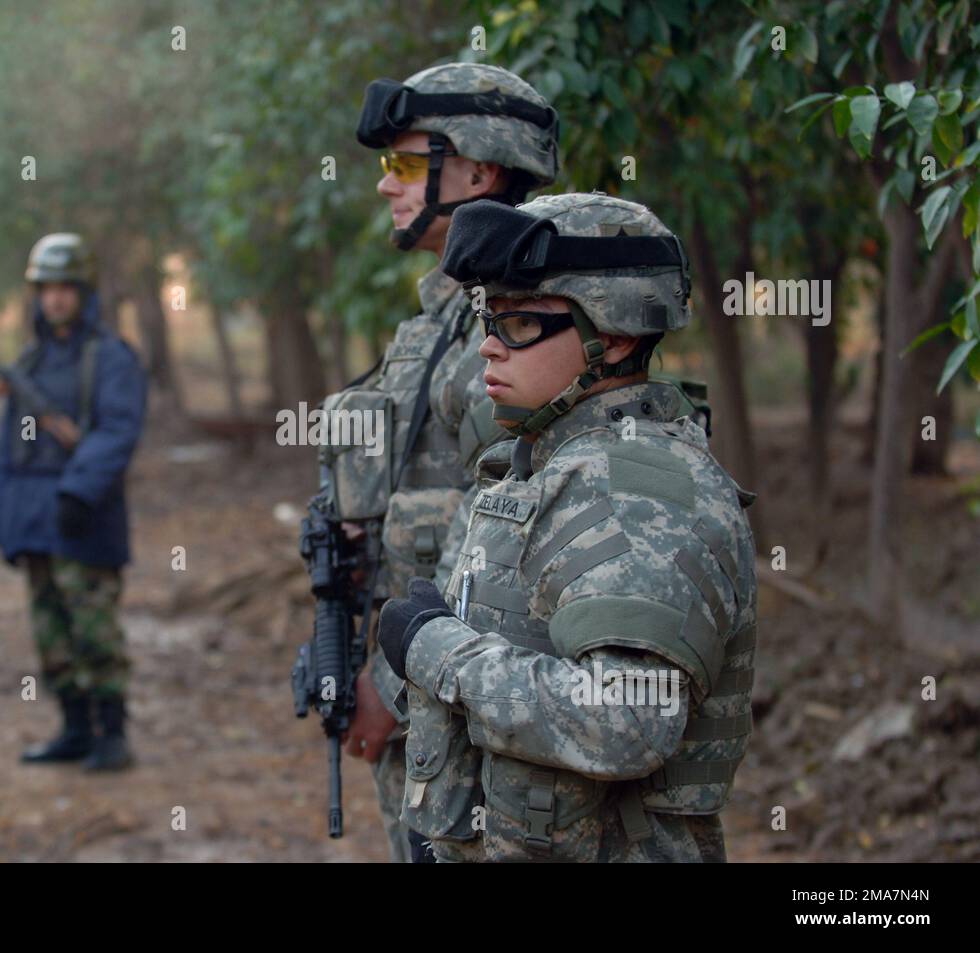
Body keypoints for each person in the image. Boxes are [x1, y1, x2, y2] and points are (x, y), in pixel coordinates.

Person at [376, 192, 758, 862]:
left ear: (613, 335)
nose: (489, 347)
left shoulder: (640, 489)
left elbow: (629, 721)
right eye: (487, 317)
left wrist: (441, 654)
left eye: (520, 323)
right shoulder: (542, 464)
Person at [315, 62, 558, 862]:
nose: (386, 187)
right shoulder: (441, 316)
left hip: (467, 695)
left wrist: (390, 685)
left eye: (402, 163)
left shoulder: (526, 324)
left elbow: (501, 522)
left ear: (478, 169)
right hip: (426, 683)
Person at [0, 233, 146, 772]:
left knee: (94, 629)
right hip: (33, 518)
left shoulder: (109, 356)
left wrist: (78, 492)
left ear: (83, 292)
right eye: (45, 288)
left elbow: (116, 433)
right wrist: (0, 514)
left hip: (84, 514)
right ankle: (74, 729)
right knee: (51, 633)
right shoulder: (28, 360)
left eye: (64, 288)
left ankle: (113, 734)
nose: (54, 299)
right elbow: (9, 447)